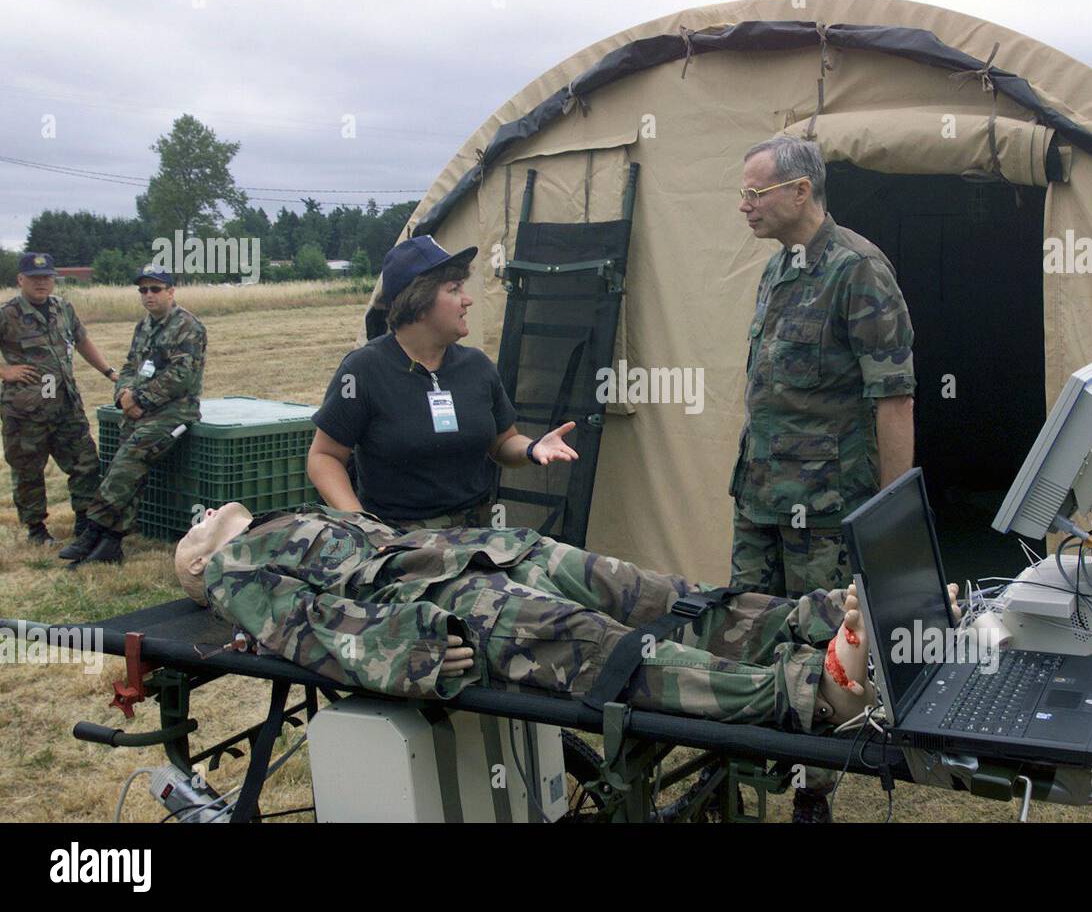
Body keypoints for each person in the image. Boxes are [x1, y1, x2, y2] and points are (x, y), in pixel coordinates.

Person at [170, 502, 964, 733]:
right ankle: (816, 692)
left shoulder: (290, 517)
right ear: (199, 564)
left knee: (665, 597)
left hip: (500, 555)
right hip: (454, 608)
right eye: (194, 526)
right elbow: (304, 627)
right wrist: (409, 651)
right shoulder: (237, 571)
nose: (203, 513)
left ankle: (823, 617)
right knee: (610, 653)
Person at [729, 136, 917, 821]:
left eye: (756, 192)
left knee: (820, 645)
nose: (743, 205)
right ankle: (748, 759)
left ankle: (814, 789)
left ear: (800, 192)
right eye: (743, 192)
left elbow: (894, 398)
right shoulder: (778, 269)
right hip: (758, 495)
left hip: (825, 504)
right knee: (746, 627)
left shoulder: (858, 271)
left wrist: (892, 514)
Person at [309, 236, 577, 531]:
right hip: (403, 541)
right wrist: (362, 524)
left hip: (479, 534)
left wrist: (533, 448)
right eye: (454, 289)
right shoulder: (364, 370)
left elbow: (502, 443)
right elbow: (324, 457)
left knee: (589, 573)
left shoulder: (476, 366)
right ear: (419, 303)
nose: (468, 299)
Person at [60, 266, 207, 567]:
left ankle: (94, 529)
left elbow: (181, 376)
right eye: (143, 290)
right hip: (141, 410)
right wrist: (123, 395)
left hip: (175, 411)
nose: (149, 295)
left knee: (128, 460)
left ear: (170, 291)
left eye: (155, 289)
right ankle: (111, 543)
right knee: (130, 470)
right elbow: (130, 366)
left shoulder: (188, 326)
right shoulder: (144, 326)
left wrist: (138, 398)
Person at [1, 252, 116, 546]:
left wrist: (107, 371)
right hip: (26, 410)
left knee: (86, 464)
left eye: (47, 278)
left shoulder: (63, 308)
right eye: (35, 278)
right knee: (29, 471)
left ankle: (84, 521)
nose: (42, 283)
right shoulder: (8, 314)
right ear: (21, 279)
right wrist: (5, 370)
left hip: (66, 405)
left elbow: (81, 341)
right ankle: (36, 529)